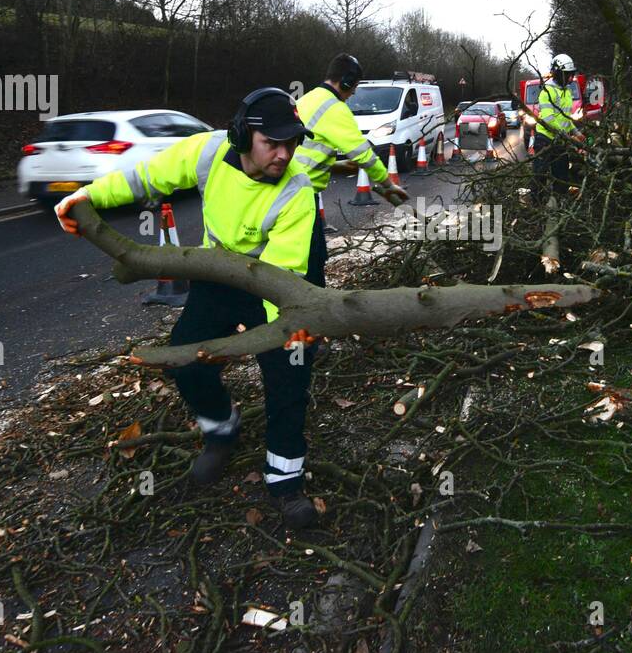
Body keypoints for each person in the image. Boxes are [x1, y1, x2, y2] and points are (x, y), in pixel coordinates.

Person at [53, 88, 322, 528]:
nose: (283, 154)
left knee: (289, 374)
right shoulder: (208, 152)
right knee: (186, 358)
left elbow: (284, 275)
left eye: (291, 143)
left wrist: (287, 332)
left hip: (273, 284)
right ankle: (221, 430)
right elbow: (143, 178)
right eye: (272, 143)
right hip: (217, 273)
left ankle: (285, 483)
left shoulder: (297, 191)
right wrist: (86, 197)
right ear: (241, 136)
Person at [292, 53, 409, 286]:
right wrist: (389, 185)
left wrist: (336, 166)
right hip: (300, 196)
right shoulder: (334, 108)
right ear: (345, 82)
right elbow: (364, 155)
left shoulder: (308, 98)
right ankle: (313, 309)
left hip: (291, 187)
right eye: (353, 87)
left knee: (312, 256)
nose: (354, 93)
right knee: (311, 263)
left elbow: (304, 150)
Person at [531, 53, 585, 200]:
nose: (570, 78)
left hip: (561, 140)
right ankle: (537, 205)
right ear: (558, 73)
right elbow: (549, 119)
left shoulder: (567, 92)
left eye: (571, 75)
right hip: (545, 139)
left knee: (562, 175)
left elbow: (565, 118)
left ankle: (559, 203)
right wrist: (567, 136)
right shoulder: (547, 91)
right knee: (539, 174)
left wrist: (576, 132)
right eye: (567, 75)